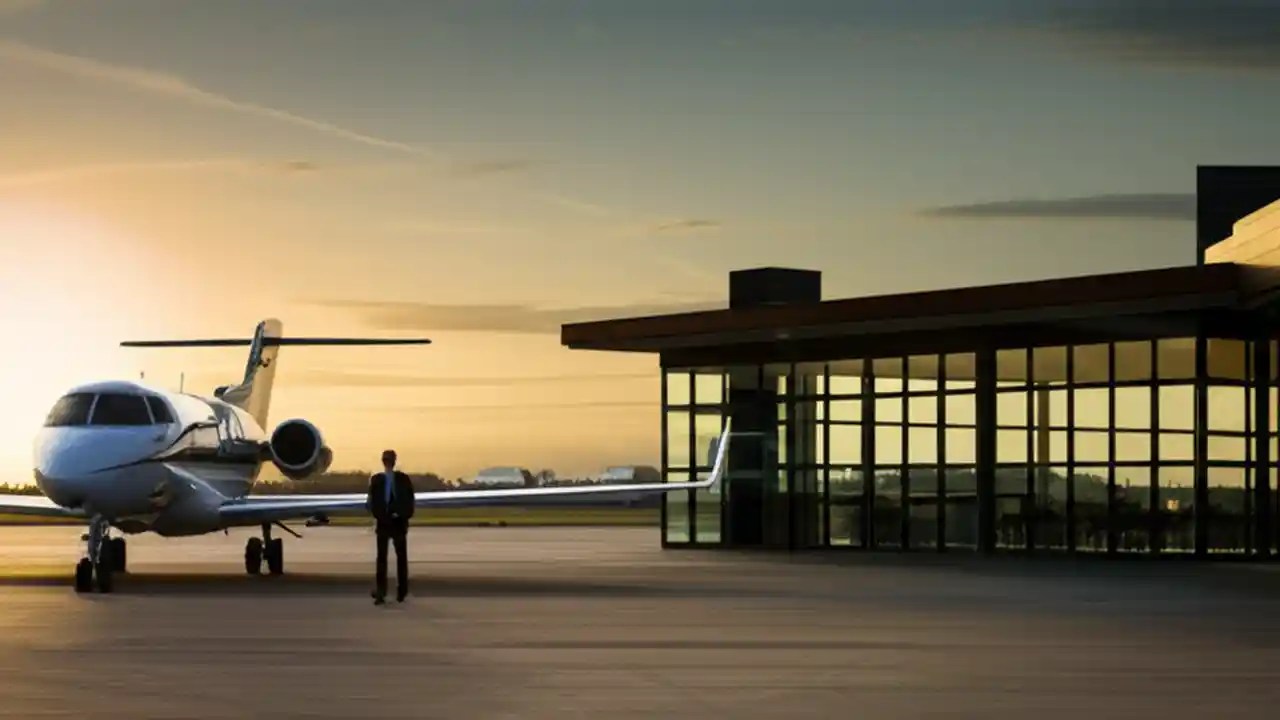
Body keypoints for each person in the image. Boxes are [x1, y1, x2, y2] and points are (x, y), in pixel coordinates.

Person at [366, 449, 415, 604]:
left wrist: (402, 515)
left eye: (390, 459)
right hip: (383, 523)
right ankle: (381, 593)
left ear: (394, 461)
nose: (388, 461)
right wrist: (381, 516)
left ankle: (402, 591)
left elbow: (410, 500)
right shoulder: (376, 480)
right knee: (381, 559)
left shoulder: (403, 479)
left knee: (401, 558)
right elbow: (371, 502)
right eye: (386, 459)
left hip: (399, 523)